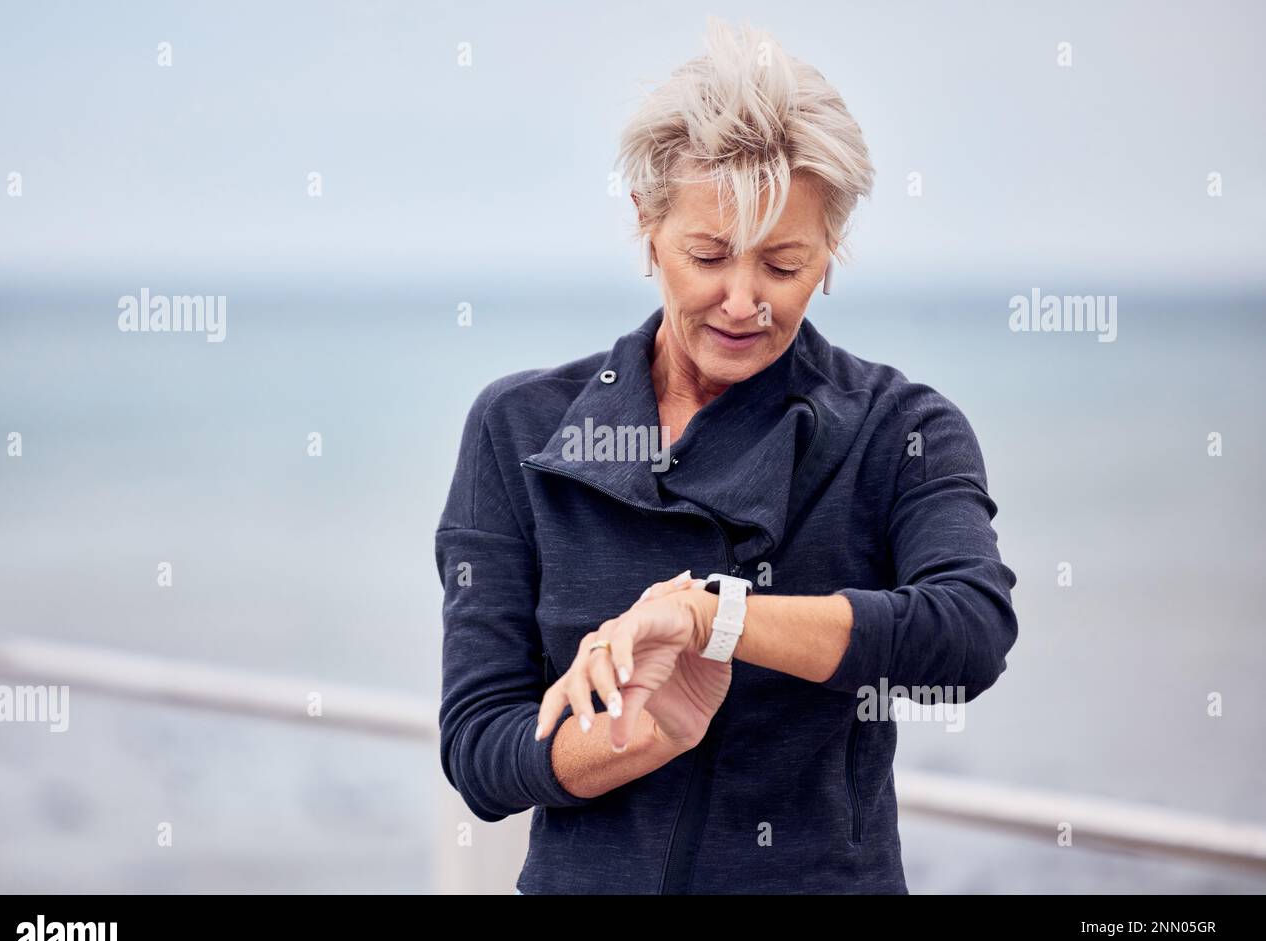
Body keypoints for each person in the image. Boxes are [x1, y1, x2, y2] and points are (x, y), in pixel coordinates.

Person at [435, 18, 1017, 894]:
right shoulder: (518, 429)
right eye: (707, 255)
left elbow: (968, 635)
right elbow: (481, 751)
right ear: (646, 224)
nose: (742, 302)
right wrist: (639, 734)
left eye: (784, 265)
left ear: (830, 254)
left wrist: (720, 619)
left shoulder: (899, 428)